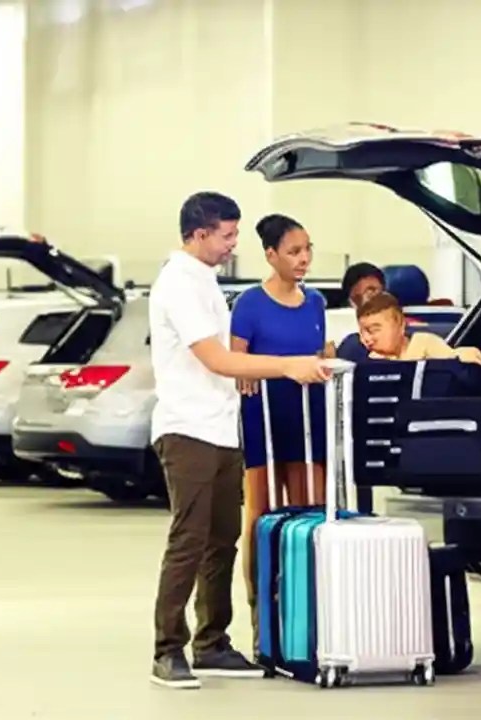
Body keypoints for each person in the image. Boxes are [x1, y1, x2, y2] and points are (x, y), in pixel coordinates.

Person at [148, 192, 332, 690]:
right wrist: (286, 367)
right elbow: (217, 359)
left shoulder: (206, 281)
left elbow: (231, 359)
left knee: (221, 541)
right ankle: (168, 650)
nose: (233, 244)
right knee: (188, 540)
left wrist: (246, 373)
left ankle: (212, 642)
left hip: (222, 427)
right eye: (227, 235)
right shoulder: (179, 285)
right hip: (188, 430)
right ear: (199, 234)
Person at [229, 214, 334, 647]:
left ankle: (311, 608)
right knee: (261, 514)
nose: (304, 258)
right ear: (270, 255)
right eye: (294, 251)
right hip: (265, 421)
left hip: (309, 419)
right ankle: (262, 614)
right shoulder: (249, 304)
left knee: (312, 510)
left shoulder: (316, 304)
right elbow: (239, 365)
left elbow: (317, 355)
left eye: (308, 249)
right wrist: (254, 371)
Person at [357, 291, 481, 364]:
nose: (367, 339)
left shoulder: (423, 343)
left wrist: (464, 355)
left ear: (401, 325)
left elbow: (452, 357)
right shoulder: (372, 360)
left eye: (374, 330)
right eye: (362, 333)